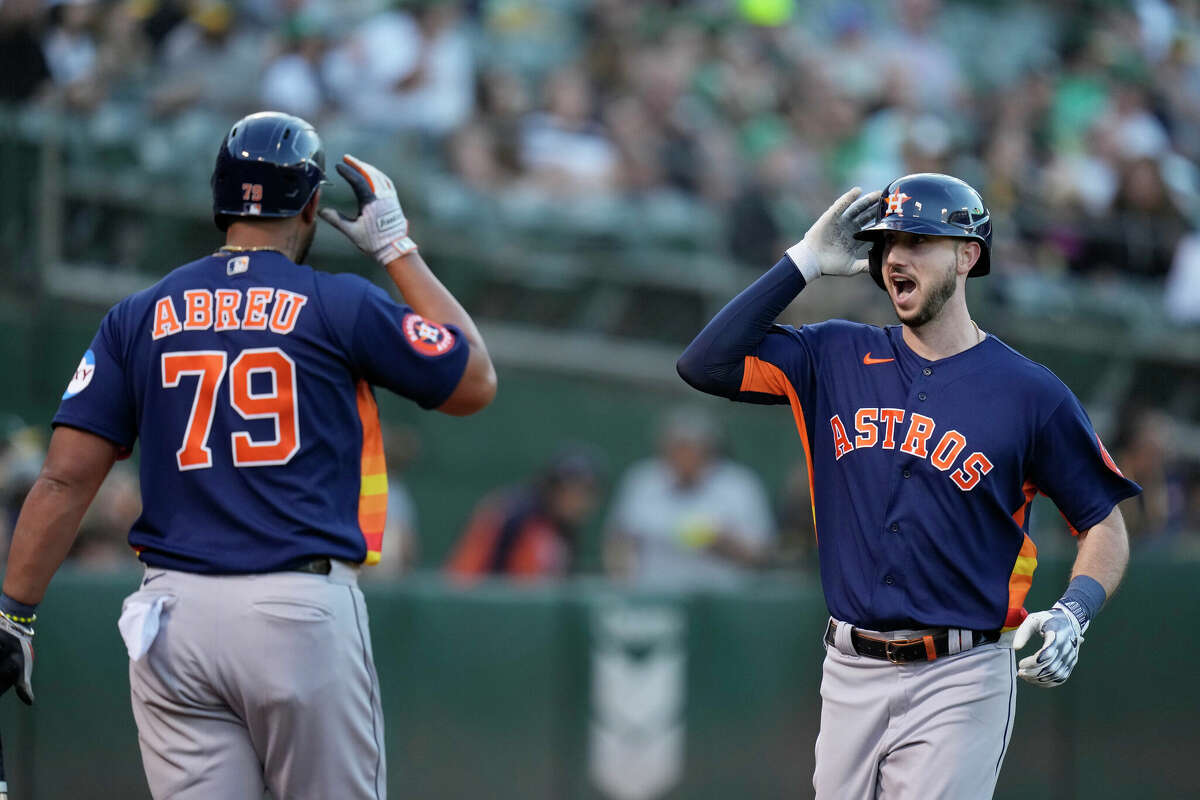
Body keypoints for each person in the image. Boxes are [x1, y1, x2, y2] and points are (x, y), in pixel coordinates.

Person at [0, 111, 496, 800]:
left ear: (219, 200)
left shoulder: (138, 314)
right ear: (316, 205)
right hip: (295, 608)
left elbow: (64, 478)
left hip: (171, 620)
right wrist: (396, 247)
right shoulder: (336, 301)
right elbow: (474, 381)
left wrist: (13, 611)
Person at [676, 173, 1141, 798]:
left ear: (967, 255)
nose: (896, 255)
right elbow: (704, 363)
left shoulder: (1030, 394)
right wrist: (804, 262)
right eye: (887, 242)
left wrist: (1073, 612)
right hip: (848, 669)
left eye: (919, 239)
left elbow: (1104, 523)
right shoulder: (835, 356)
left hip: (962, 673)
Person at [603, 407, 775, 589]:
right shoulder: (641, 481)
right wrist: (624, 584)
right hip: (656, 598)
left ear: (709, 449)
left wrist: (720, 542)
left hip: (723, 602)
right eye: (677, 446)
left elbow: (761, 553)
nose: (684, 454)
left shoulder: (740, 485)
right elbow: (618, 542)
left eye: (691, 446)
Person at [446, 448, 602, 580]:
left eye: (585, 493)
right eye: (570, 491)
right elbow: (468, 576)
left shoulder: (565, 529)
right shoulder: (515, 515)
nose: (577, 501)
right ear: (552, 488)